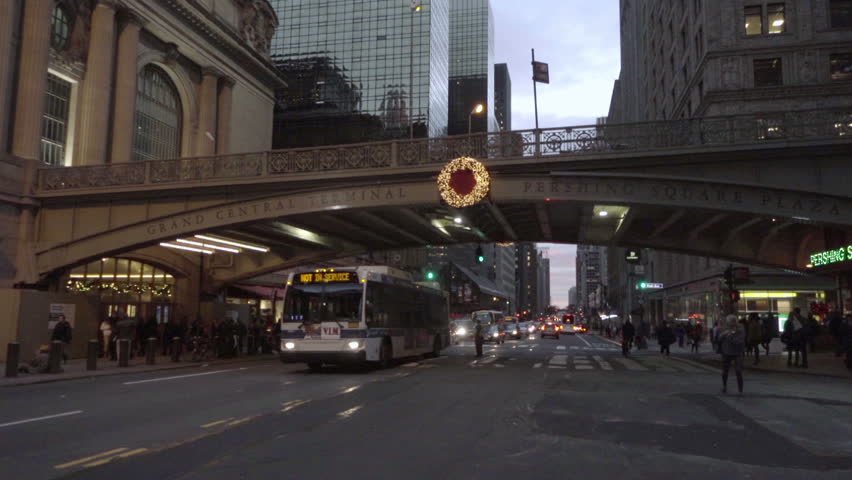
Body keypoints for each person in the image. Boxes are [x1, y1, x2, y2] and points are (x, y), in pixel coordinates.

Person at [718, 314, 746, 395]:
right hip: (726, 352)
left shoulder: (740, 328)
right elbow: (719, 338)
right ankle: (724, 386)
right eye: (729, 323)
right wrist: (723, 335)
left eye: (733, 322)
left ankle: (740, 390)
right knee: (725, 371)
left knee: (738, 371)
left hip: (737, 352)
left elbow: (740, 340)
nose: (731, 324)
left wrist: (731, 337)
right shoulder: (725, 328)